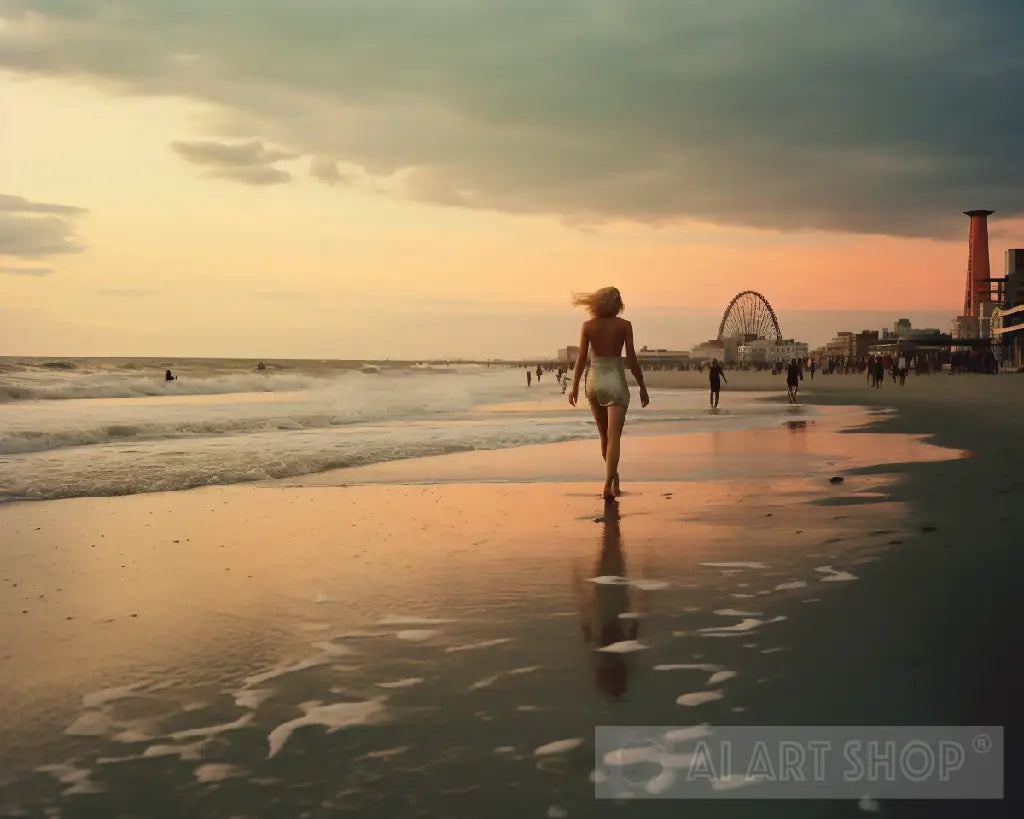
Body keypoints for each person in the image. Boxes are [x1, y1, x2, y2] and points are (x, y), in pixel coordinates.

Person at [568, 286, 650, 502]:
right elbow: (631, 358)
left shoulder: (588, 326)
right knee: (614, 437)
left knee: (604, 437)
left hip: (594, 382)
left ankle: (612, 478)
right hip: (614, 380)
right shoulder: (624, 326)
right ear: (616, 303)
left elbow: (580, 358)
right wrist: (642, 386)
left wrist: (575, 386)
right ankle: (607, 484)